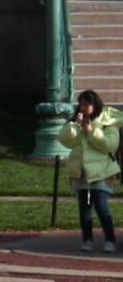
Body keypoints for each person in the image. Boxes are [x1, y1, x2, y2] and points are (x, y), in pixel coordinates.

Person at [58, 90, 119, 251]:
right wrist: (75, 125)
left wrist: (91, 131)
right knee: (84, 207)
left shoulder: (107, 123)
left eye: (86, 104)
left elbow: (109, 145)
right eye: (81, 104)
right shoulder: (77, 122)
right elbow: (65, 141)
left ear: (95, 105)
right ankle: (87, 240)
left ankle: (110, 240)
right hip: (82, 172)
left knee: (100, 204)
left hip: (102, 171)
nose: (82, 108)